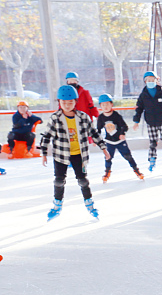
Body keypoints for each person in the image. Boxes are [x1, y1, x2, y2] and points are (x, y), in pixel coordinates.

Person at [38, 84, 109, 220]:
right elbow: (47, 135)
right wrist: (44, 153)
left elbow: (93, 133)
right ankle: (57, 205)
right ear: (59, 102)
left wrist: (103, 148)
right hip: (61, 154)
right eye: (63, 102)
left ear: (75, 102)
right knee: (59, 181)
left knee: (83, 180)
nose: (67, 105)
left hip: (79, 154)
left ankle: (90, 204)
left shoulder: (83, 117)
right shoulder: (55, 118)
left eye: (70, 102)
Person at [132, 70, 162, 173]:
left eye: (152, 80)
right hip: (151, 122)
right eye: (148, 80)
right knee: (153, 143)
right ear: (145, 81)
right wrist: (136, 121)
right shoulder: (143, 95)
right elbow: (139, 109)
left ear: (156, 81)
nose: (151, 82)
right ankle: (152, 160)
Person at [96, 93, 143, 182]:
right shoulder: (101, 117)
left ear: (111, 104)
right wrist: (96, 140)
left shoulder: (116, 115)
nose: (105, 107)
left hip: (120, 141)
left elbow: (124, 126)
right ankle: (107, 172)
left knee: (128, 156)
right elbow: (98, 129)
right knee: (108, 157)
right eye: (103, 105)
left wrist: (122, 134)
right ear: (100, 106)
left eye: (107, 104)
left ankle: (136, 170)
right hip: (109, 142)